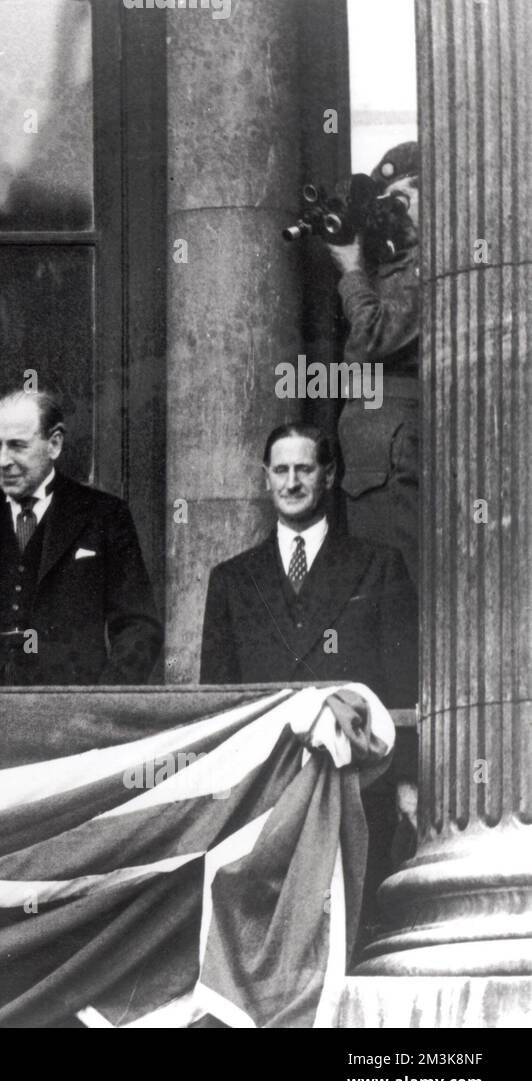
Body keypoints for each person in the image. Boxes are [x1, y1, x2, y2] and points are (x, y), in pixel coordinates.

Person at [0, 390, 162, 686]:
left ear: (54, 444)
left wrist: (100, 703)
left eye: (17, 446)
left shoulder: (104, 515)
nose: (2, 460)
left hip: (69, 716)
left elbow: (139, 627)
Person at [198, 422, 417, 707]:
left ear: (329, 475)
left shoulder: (380, 567)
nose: (291, 484)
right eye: (280, 471)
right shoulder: (231, 580)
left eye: (304, 469)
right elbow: (216, 706)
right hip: (264, 750)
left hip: (351, 748)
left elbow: (402, 696)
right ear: (266, 479)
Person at [326, 140, 421, 587]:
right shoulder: (388, 264)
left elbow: (370, 339)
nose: (395, 212)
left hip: (393, 447)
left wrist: (350, 272)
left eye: (405, 199)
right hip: (369, 448)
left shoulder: (426, 265)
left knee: (397, 591)